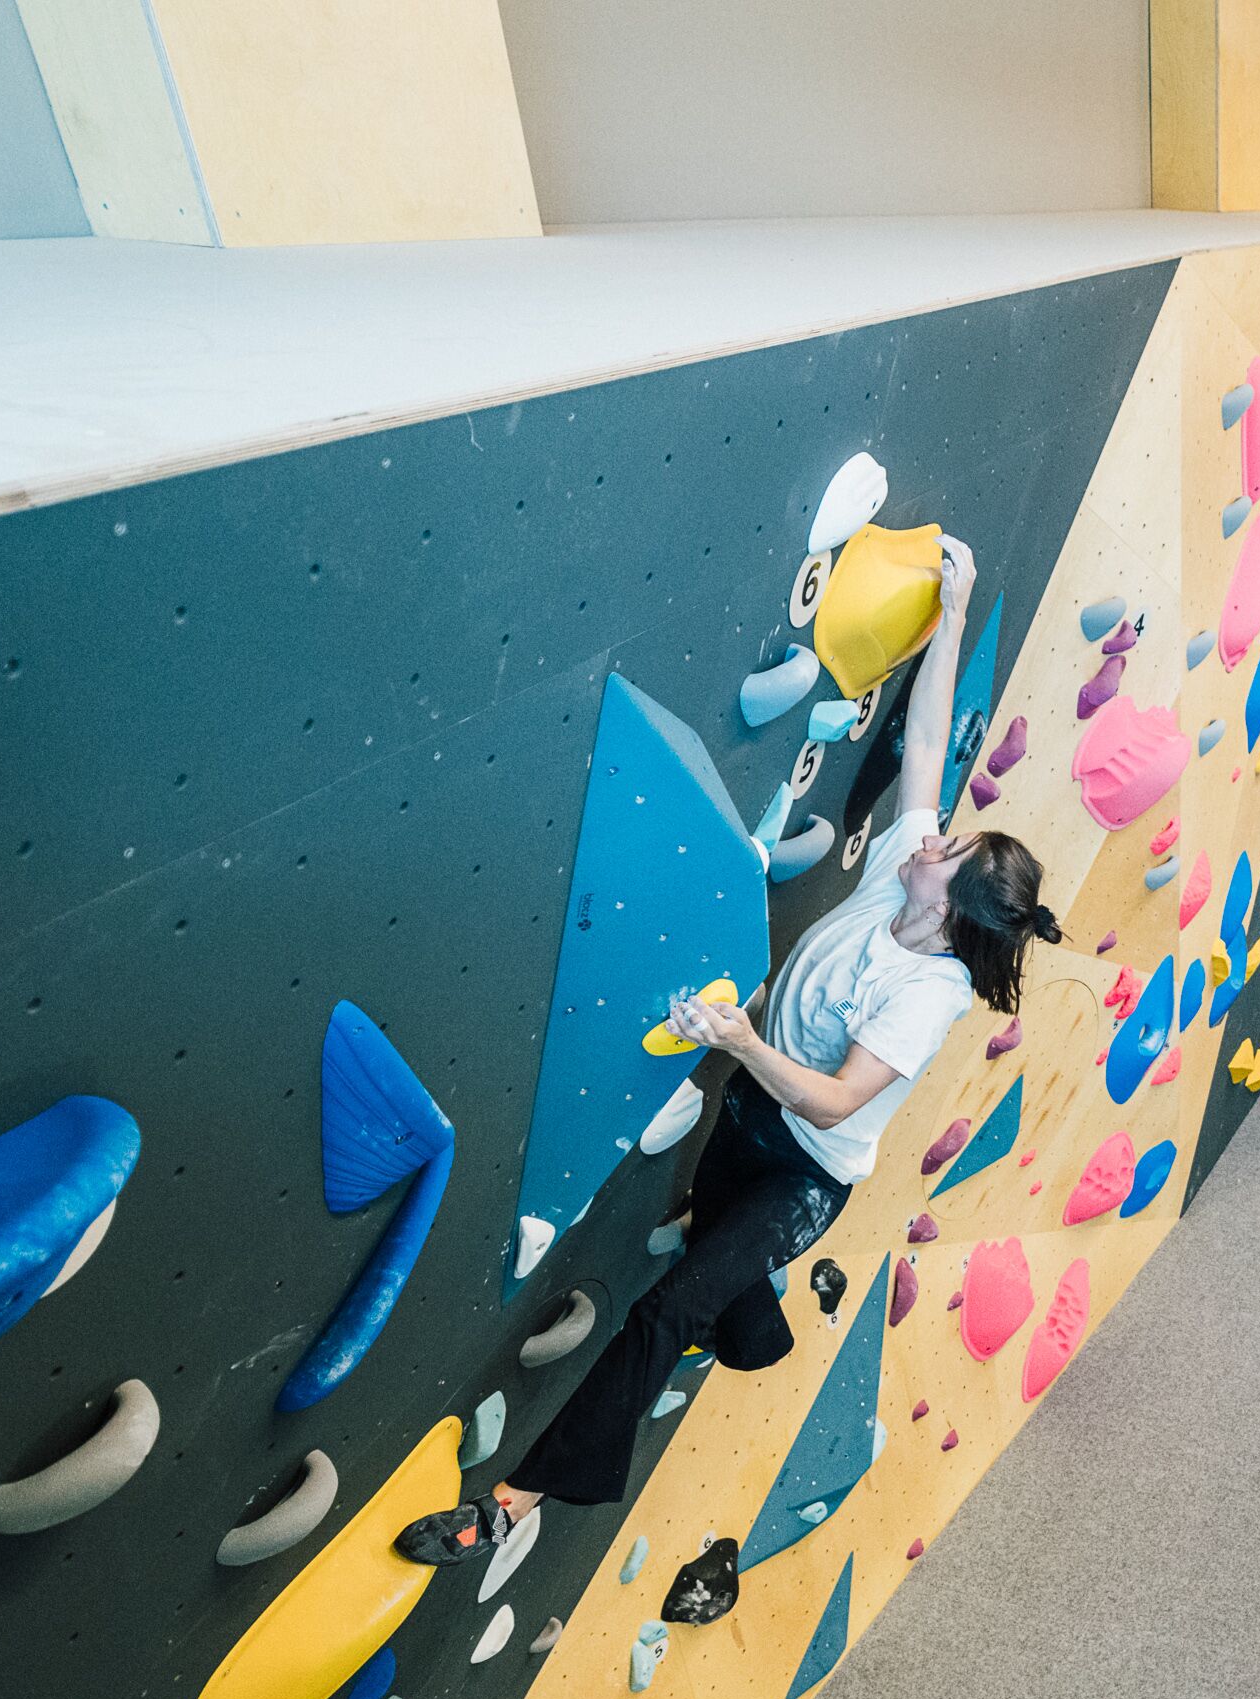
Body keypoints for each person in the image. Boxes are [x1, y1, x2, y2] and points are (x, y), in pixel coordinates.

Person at [402, 537, 1060, 1627]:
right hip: (753, 1122)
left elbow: (842, 1100)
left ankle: (511, 1503)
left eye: (942, 857)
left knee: (665, 1310)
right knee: (721, 1288)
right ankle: (754, 1337)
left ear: (947, 910)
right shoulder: (918, 870)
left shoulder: (928, 993)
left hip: (805, 1168)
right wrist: (954, 614)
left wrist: (737, 1041)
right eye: (940, 843)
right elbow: (929, 742)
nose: (926, 842)